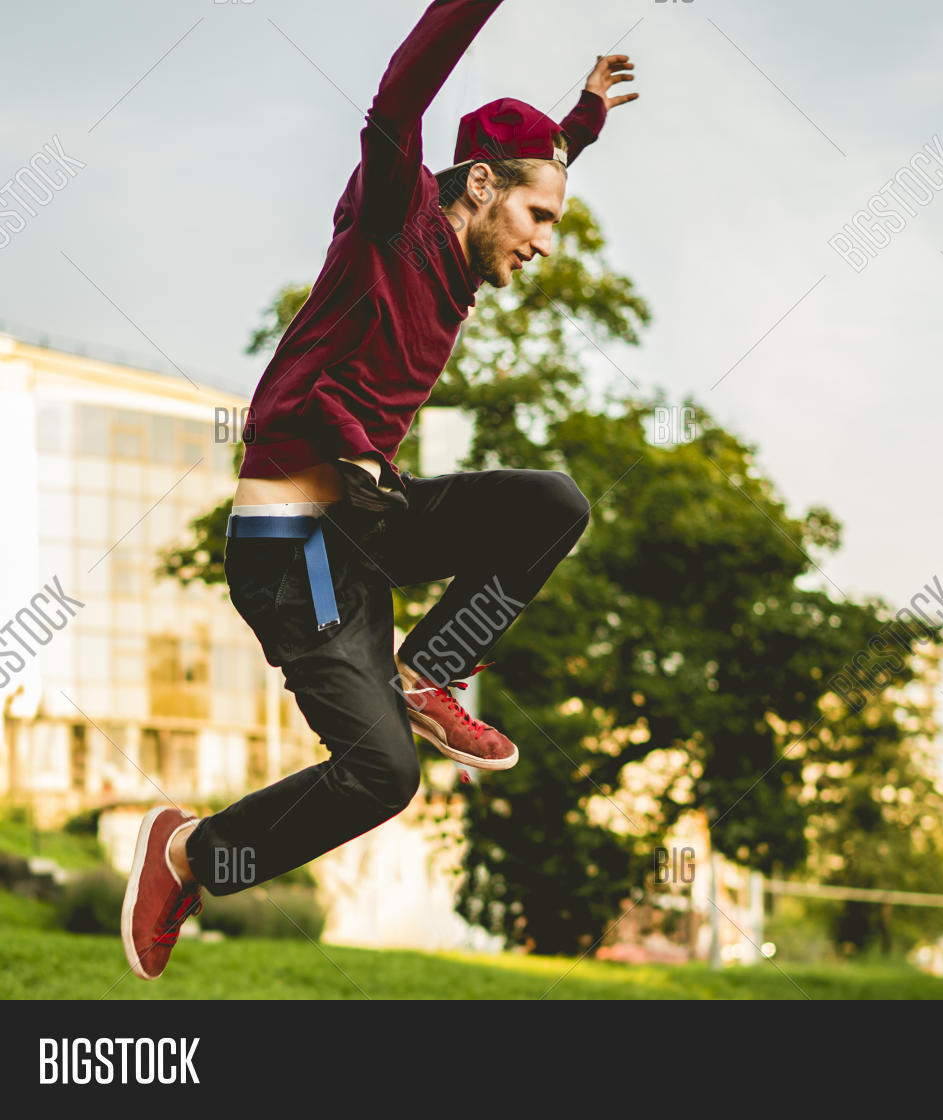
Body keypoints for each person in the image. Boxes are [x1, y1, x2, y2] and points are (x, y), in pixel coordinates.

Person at [121, 0, 638, 982]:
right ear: (478, 186)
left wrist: (582, 119)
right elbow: (399, 100)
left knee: (553, 505)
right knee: (383, 776)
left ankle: (428, 673)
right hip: (297, 548)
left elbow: (535, 161)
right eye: (538, 219)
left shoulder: (468, 255)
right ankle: (188, 855)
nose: (544, 245)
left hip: (367, 520)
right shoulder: (390, 217)